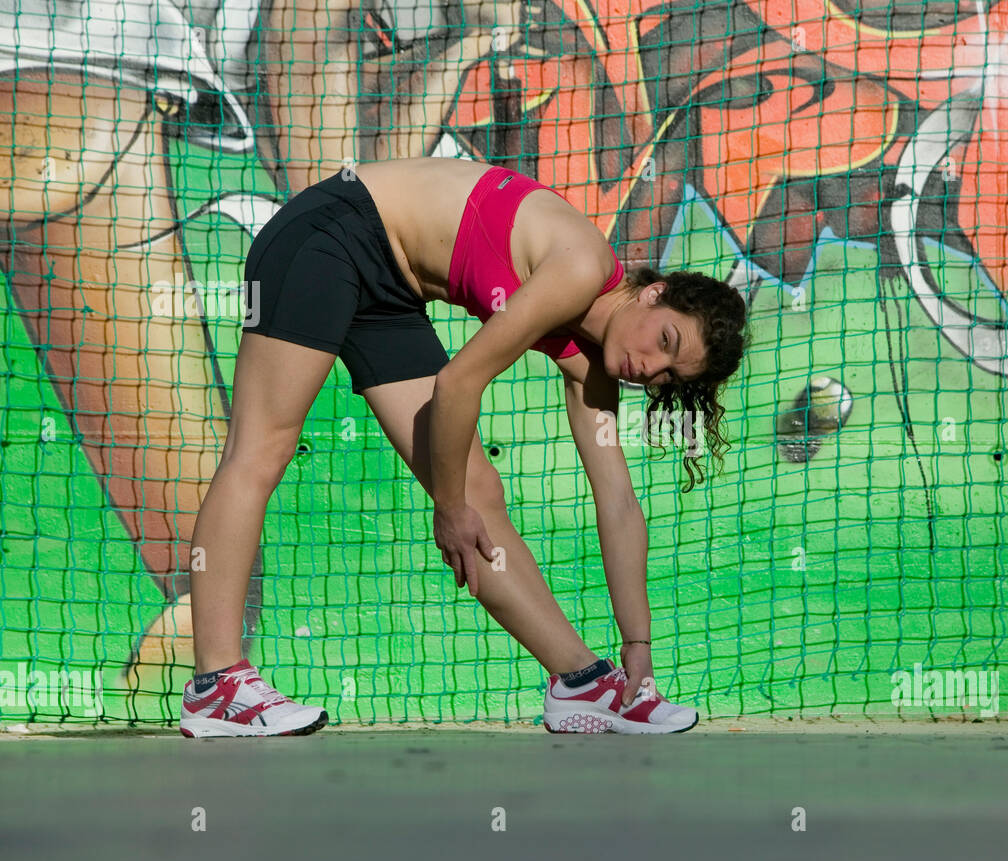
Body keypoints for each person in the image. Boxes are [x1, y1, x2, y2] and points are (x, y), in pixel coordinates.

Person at [178, 157, 748, 738]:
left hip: (390, 291)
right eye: (665, 340)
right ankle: (215, 683)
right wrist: (447, 509)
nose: (649, 367)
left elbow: (619, 502)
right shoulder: (580, 268)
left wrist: (638, 642)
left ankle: (582, 683)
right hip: (332, 233)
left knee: (480, 492)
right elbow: (458, 384)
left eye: (669, 376)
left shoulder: (593, 368)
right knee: (263, 448)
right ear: (653, 294)